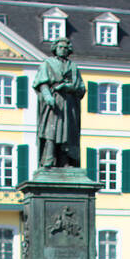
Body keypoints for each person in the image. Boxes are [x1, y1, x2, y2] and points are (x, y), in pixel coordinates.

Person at [34, 37, 85, 168]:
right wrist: (47, 97)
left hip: (69, 104)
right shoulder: (47, 63)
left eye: (65, 48)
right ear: (55, 49)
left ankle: (65, 161)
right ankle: (48, 159)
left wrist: (69, 87)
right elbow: (42, 83)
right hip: (54, 102)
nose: (63, 50)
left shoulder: (73, 67)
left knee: (67, 134)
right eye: (60, 47)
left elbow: (81, 88)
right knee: (51, 131)